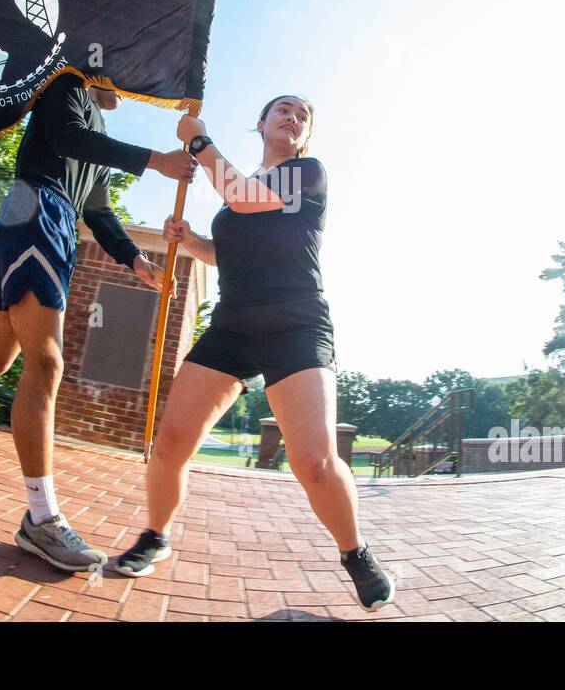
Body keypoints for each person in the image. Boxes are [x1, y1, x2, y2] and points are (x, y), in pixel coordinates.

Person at [0, 72, 196, 572]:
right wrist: (158, 162)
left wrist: (138, 262)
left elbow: (98, 213)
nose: (132, 83)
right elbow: (66, 138)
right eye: (126, 71)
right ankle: (41, 518)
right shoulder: (67, 85)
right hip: (35, 209)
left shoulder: (99, 145)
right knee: (47, 365)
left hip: (59, 224)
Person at [113, 95, 395, 611]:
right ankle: (154, 535)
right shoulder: (235, 196)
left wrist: (198, 141)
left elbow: (244, 196)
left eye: (303, 115)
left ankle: (355, 553)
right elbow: (229, 252)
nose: (293, 117)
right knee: (171, 441)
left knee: (312, 461)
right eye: (282, 109)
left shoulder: (307, 174)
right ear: (261, 123)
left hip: (297, 323)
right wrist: (193, 239)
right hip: (234, 326)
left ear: (305, 134)